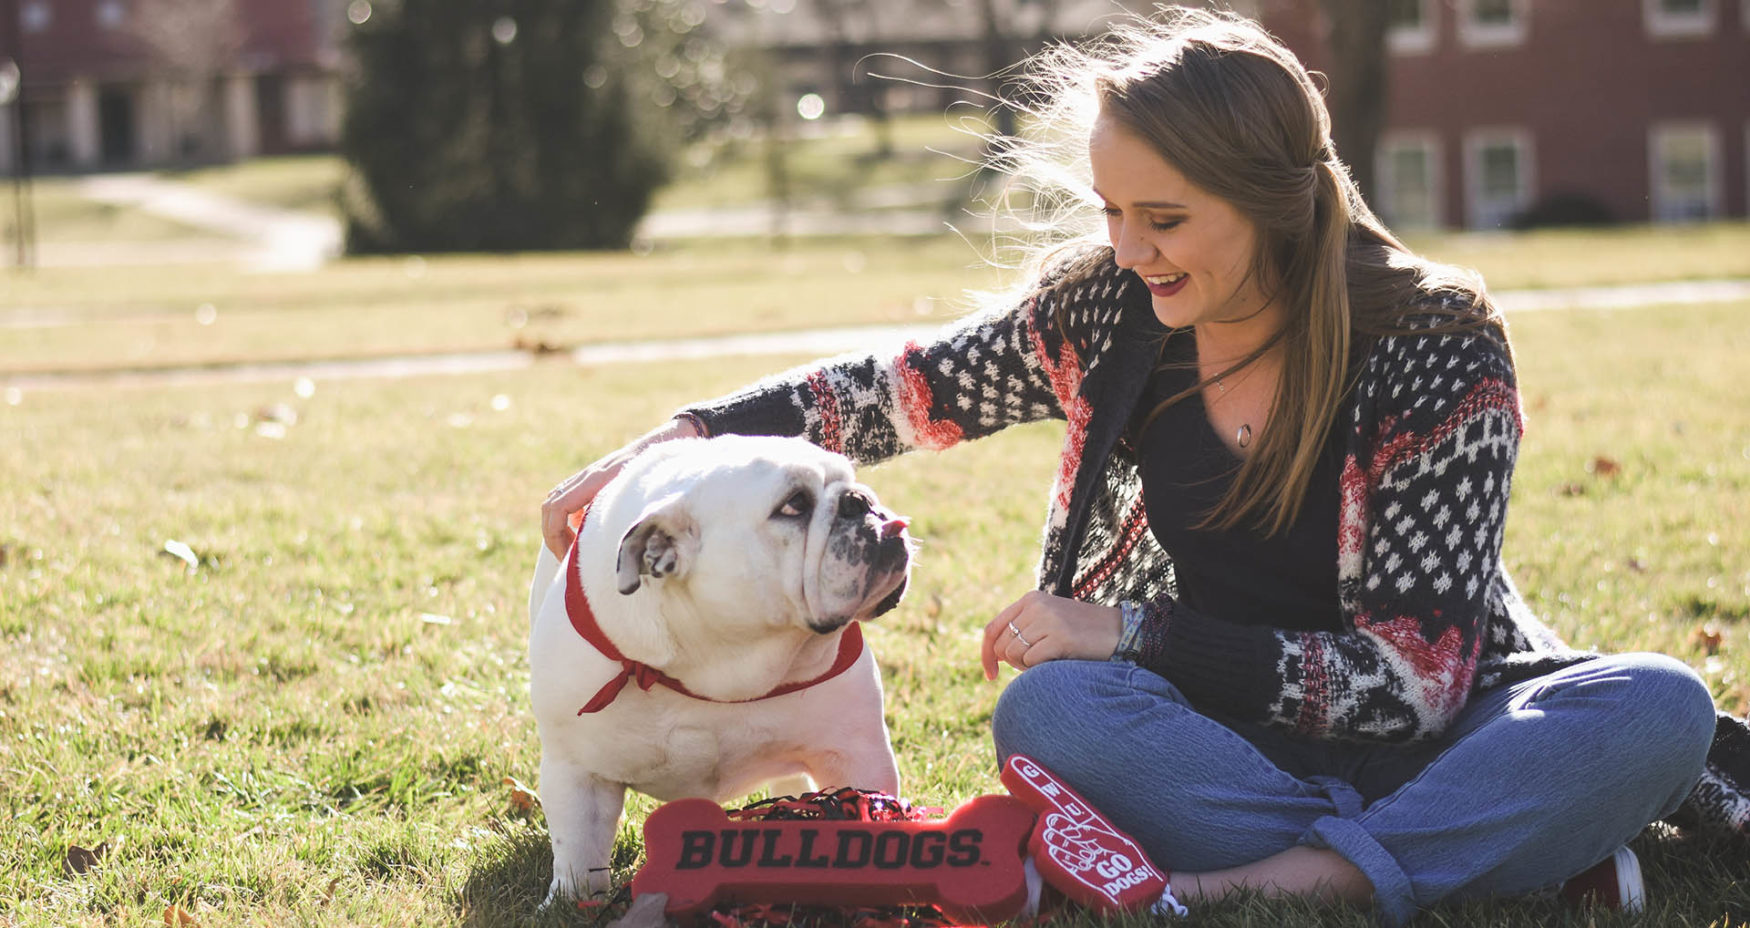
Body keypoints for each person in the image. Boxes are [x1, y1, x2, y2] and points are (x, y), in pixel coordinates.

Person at [542, 8, 1747, 924]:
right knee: (1046, 711)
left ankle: (1281, 877)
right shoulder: (1109, 312)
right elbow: (900, 389)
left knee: (1656, 708)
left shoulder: (1437, 346)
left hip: (1448, 727)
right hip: (1219, 740)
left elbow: (1414, 687)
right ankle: (1496, 851)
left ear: (1273, 203)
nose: (1127, 250)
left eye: (1163, 219)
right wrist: (683, 437)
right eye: (1112, 211)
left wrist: (1130, 631)